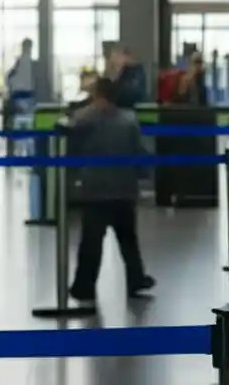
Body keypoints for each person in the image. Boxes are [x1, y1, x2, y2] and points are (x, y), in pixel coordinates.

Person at [67, 78, 156, 303]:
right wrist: (143, 177)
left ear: (96, 94)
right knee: (128, 239)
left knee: (91, 242)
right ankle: (136, 279)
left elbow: (73, 152)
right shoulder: (128, 120)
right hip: (124, 187)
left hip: (95, 188)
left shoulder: (82, 118)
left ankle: (83, 286)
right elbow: (139, 152)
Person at [106, 46, 147, 110]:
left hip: (128, 112)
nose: (113, 61)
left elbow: (125, 97)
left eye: (116, 57)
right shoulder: (129, 71)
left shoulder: (133, 73)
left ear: (124, 56)